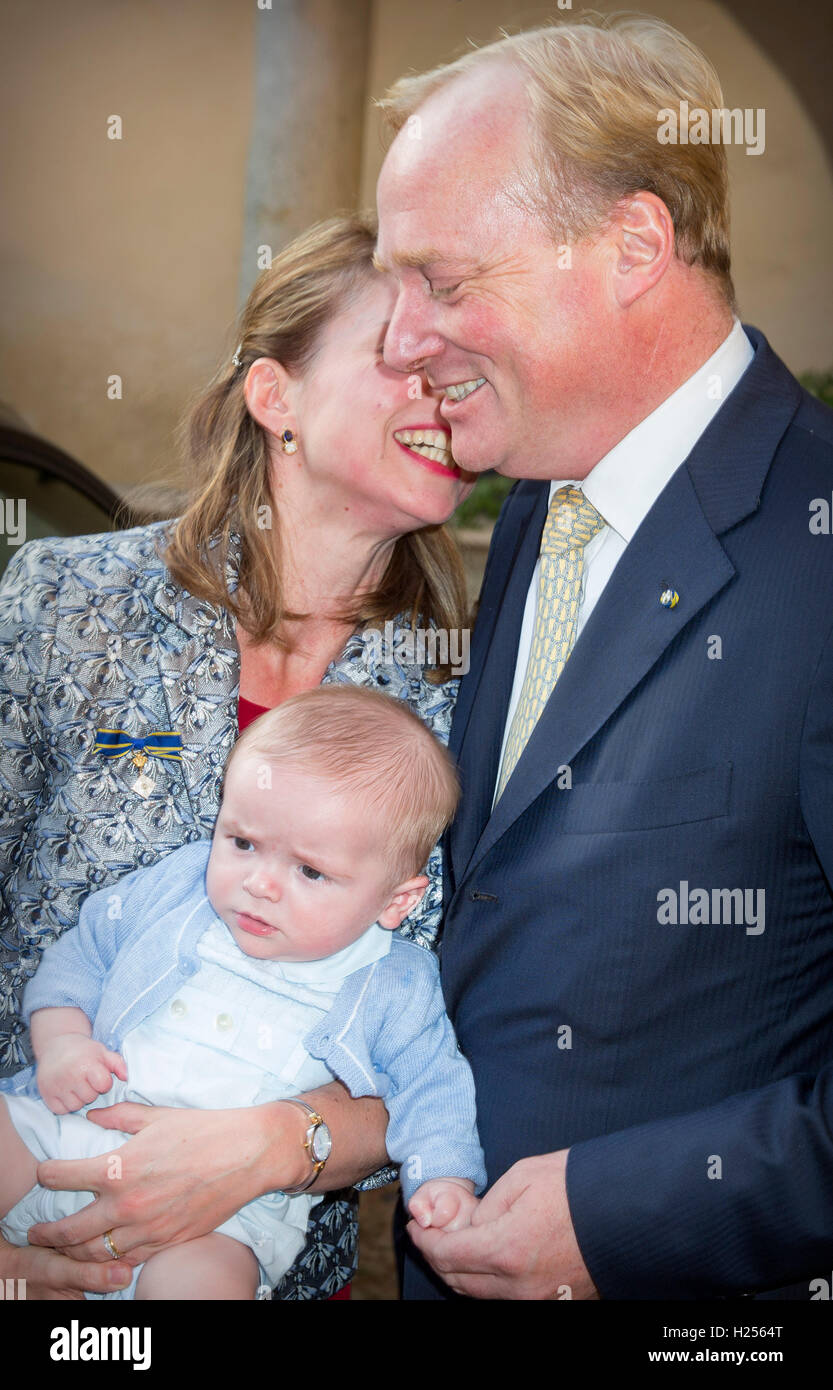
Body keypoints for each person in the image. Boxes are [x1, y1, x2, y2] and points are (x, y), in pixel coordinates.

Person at [372, 13, 833, 1299]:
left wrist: (617, 1217)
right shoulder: (538, 496)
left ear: (630, 246)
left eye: (443, 280)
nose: (399, 337)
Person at [0, 213, 474, 1298]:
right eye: (401, 360)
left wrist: (278, 1144)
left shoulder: (467, 698)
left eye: (454, 367)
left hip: (240, 1267)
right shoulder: (71, 607)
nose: (440, 394)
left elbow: (455, 1050)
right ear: (277, 399)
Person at [0, 686, 485, 1299]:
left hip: (222, 1218)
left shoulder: (395, 983)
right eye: (242, 843)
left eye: (310, 871)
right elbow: (85, 950)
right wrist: (64, 1041)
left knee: (206, 1286)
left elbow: (434, 1087)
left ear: (396, 901)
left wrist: (444, 1180)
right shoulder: (180, 890)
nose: (259, 883)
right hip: (64, 1129)